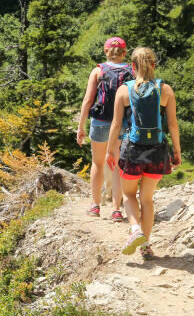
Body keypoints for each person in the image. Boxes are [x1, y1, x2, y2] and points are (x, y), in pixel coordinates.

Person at [105, 46, 181, 260]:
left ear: (133, 67)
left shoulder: (124, 90)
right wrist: (176, 151)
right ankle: (145, 246)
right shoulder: (165, 90)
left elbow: (116, 124)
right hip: (157, 150)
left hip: (132, 150)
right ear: (154, 65)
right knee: (147, 199)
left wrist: (111, 150)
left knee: (129, 194)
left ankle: (135, 229)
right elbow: (173, 126)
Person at [77, 36, 133, 221]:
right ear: (125, 53)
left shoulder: (98, 71)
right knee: (117, 166)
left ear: (105, 51)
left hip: (100, 122)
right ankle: (116, 209)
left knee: (98, 163)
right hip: (122, 124)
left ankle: (95, 206)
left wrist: (81, 127)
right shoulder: (131, 71)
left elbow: (87, 101)